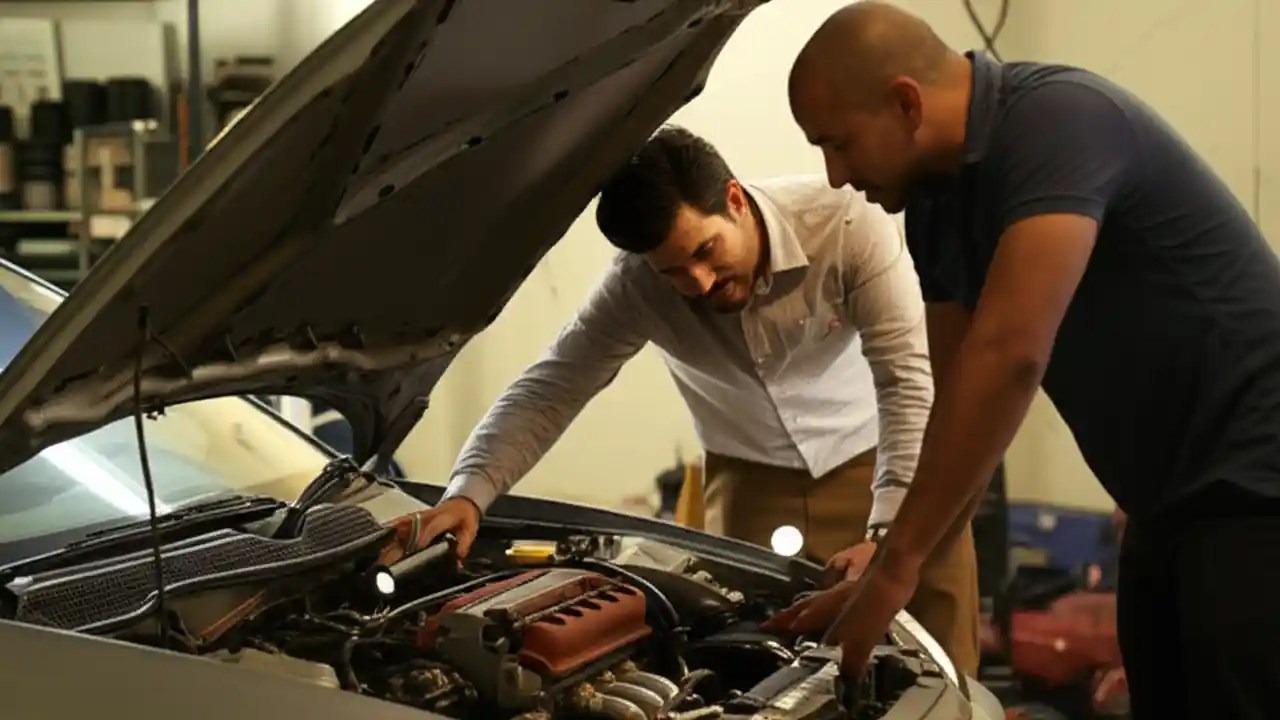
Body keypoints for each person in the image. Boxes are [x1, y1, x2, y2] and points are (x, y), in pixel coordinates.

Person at [768, 3, 1280, 718]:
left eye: (840, 144)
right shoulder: (933, 209)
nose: (836, 174)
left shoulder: (1059, 122)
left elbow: (1009, 354)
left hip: (1255, 485)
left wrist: (896, 572)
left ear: (906, 102)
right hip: (1167, 501)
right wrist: (889, 557)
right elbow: (958, 403)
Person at [411, 125, 982, 674]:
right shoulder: (636, 285)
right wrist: (469, 493)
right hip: (751, 489)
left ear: (734, 199)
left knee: (946, 667)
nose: (700, 283)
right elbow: (551, 387)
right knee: (762, 667)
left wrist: (885, 535)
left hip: (895, 464)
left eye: (706, 251)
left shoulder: (844, 224)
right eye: (675, 271)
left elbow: (907, 381)